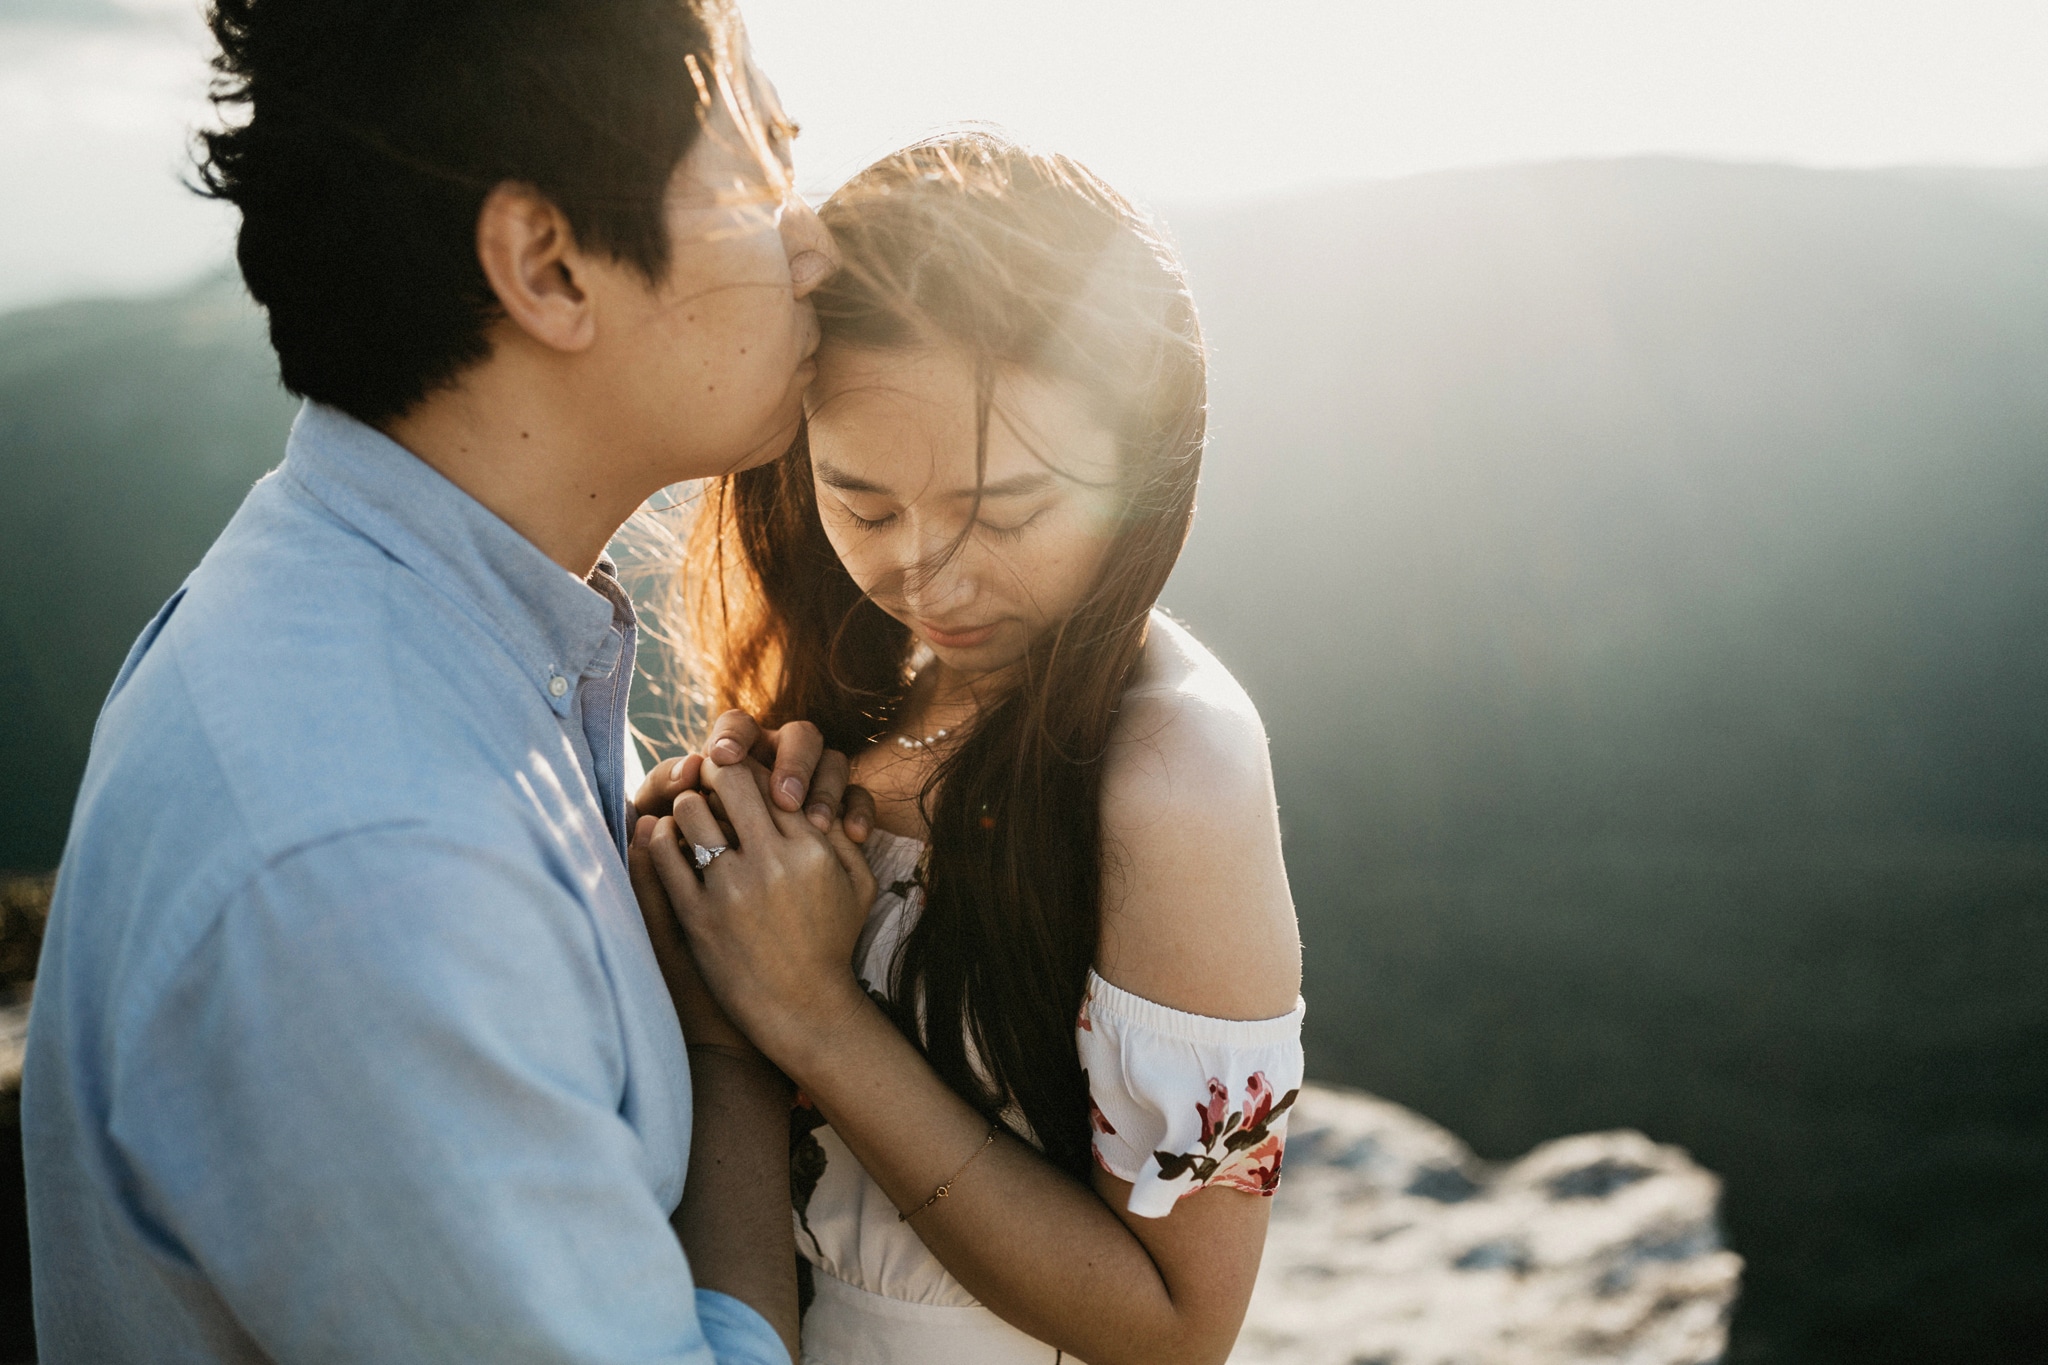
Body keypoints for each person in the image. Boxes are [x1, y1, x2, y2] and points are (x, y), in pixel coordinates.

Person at [20, 2, 870, 1360]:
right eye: (756, 160)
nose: (812, 231)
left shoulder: (390, 621)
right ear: (549, 265)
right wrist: (733, 1049)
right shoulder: (371, 866)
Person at [630, 132, 1306, 1365]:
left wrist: (815, 1014)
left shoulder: (1169, 775)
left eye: (1007, 510)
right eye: (864, 502)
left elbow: (1178, 1330)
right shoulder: (873, 683)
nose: (924, 572)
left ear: (1145, 465)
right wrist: (717, 858)